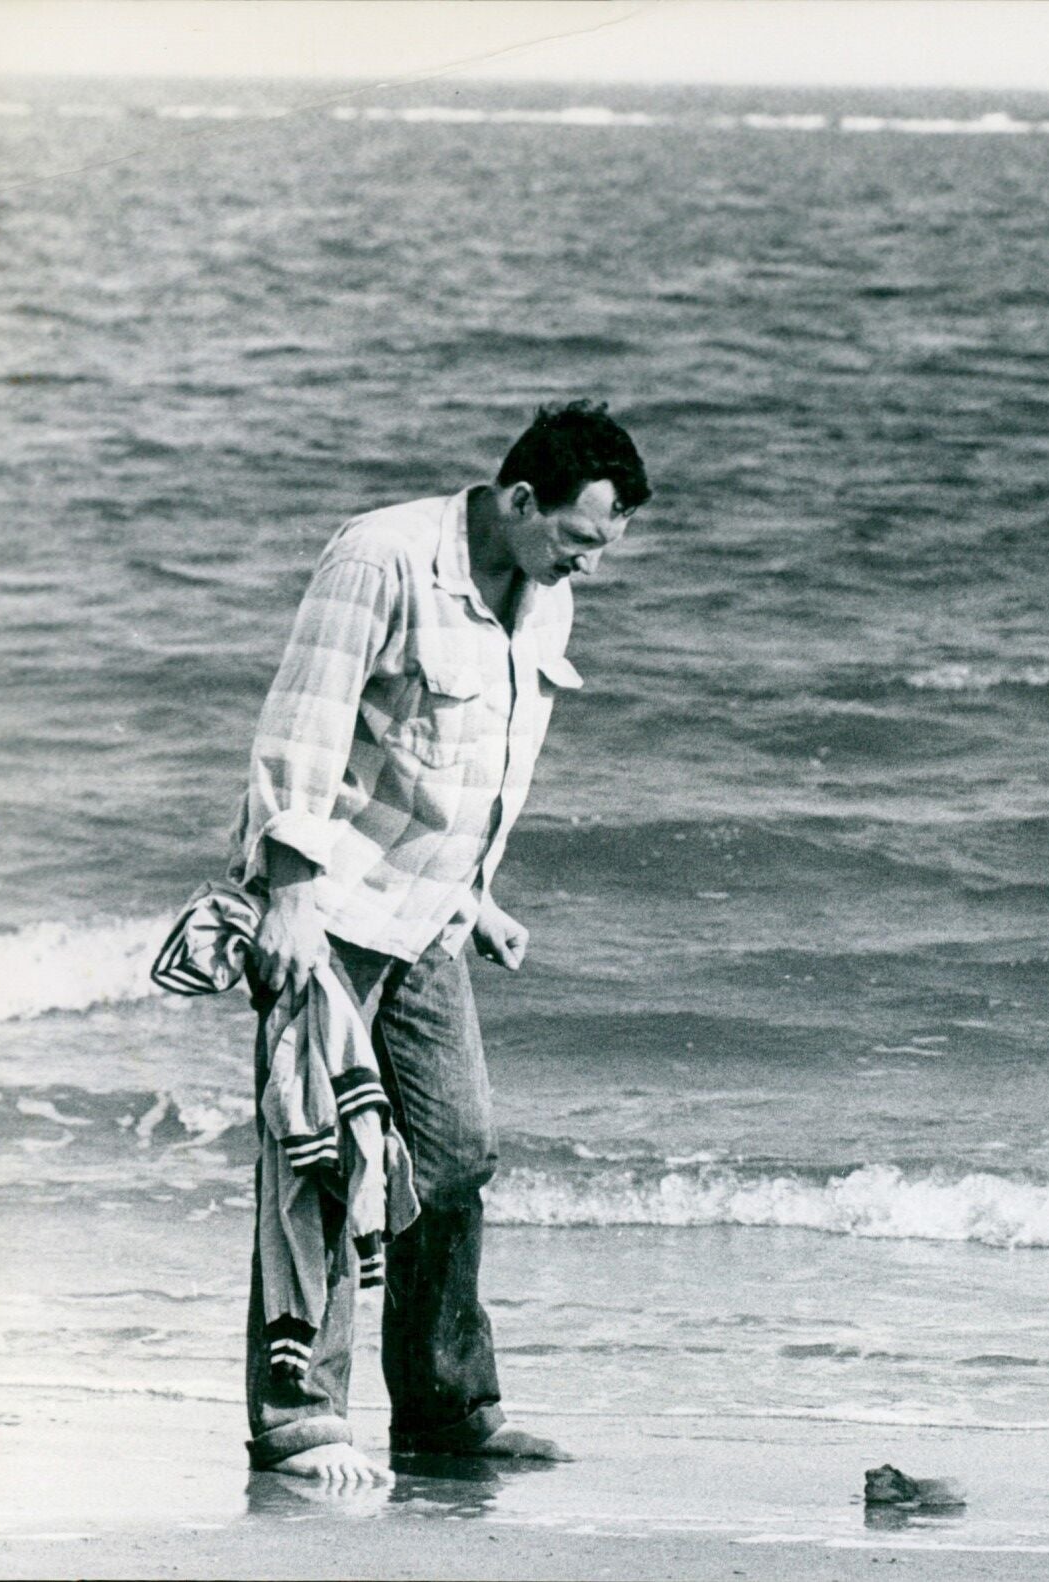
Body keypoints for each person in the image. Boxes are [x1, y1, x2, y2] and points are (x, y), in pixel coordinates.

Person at [236, 401, 649, 1486]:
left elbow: (475, 763)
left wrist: (480, 894)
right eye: (576, 540)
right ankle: (297, 1423)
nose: (586, 569)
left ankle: (444, 1412)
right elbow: (304, 726)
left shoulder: (544, 595)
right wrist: (283, 897)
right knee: (317, 1158)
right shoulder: (383, 560)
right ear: (520, 501)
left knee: (455, 1156)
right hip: (325, 910)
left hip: (427, 915)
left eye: (600, 550)